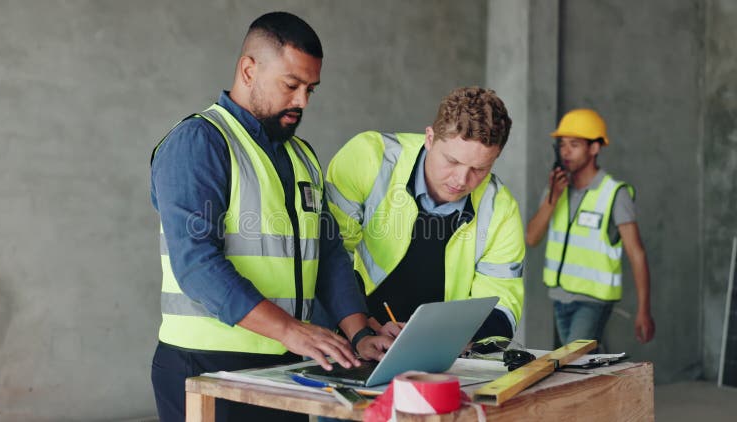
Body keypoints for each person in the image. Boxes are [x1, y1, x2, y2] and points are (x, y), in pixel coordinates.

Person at [149, 12, 391, 422]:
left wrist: (360, 333)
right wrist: (292, 330)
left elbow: (329, 255)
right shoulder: (199, 142)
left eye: (311, 89)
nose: (302, 102)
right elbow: (197, 265)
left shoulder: (302, 156)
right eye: (291, 85)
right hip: (206, 369)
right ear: (248, 69)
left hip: (283, 369)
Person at [317, 86, 525, 342]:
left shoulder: (500, 208)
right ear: (429, 138)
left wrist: (449, 340)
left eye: (480, 169)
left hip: (443, 349)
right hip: (356, 333)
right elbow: (330, 257)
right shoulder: (370, 158)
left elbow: (502, 304)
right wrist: (364, 327)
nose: (461, 180)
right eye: (452, 161)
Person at [525, 108, 655, 348]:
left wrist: (643, 310)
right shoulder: (557, 188)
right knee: (584, 365)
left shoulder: (615, 193)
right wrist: (552, 197)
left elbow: (637, 253)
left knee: (575, 360)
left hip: (593, 299)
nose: (565, 152)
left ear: (594, 148)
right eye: (562, 144)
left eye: (574, 145)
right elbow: (532, 238)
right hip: (559, 297)